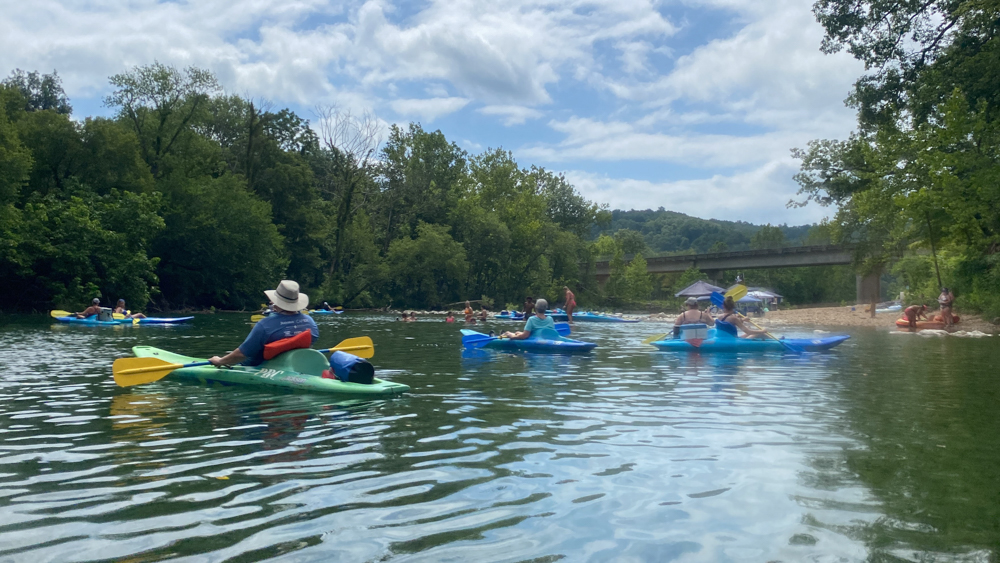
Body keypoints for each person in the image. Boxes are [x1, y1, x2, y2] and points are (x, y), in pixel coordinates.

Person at [209, 280, 318, 367]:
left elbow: (241, 354)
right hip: (295, 365)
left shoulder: (265, 325)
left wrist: (220, 361)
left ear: (275, 302)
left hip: (257, 367)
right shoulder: (310, 322)